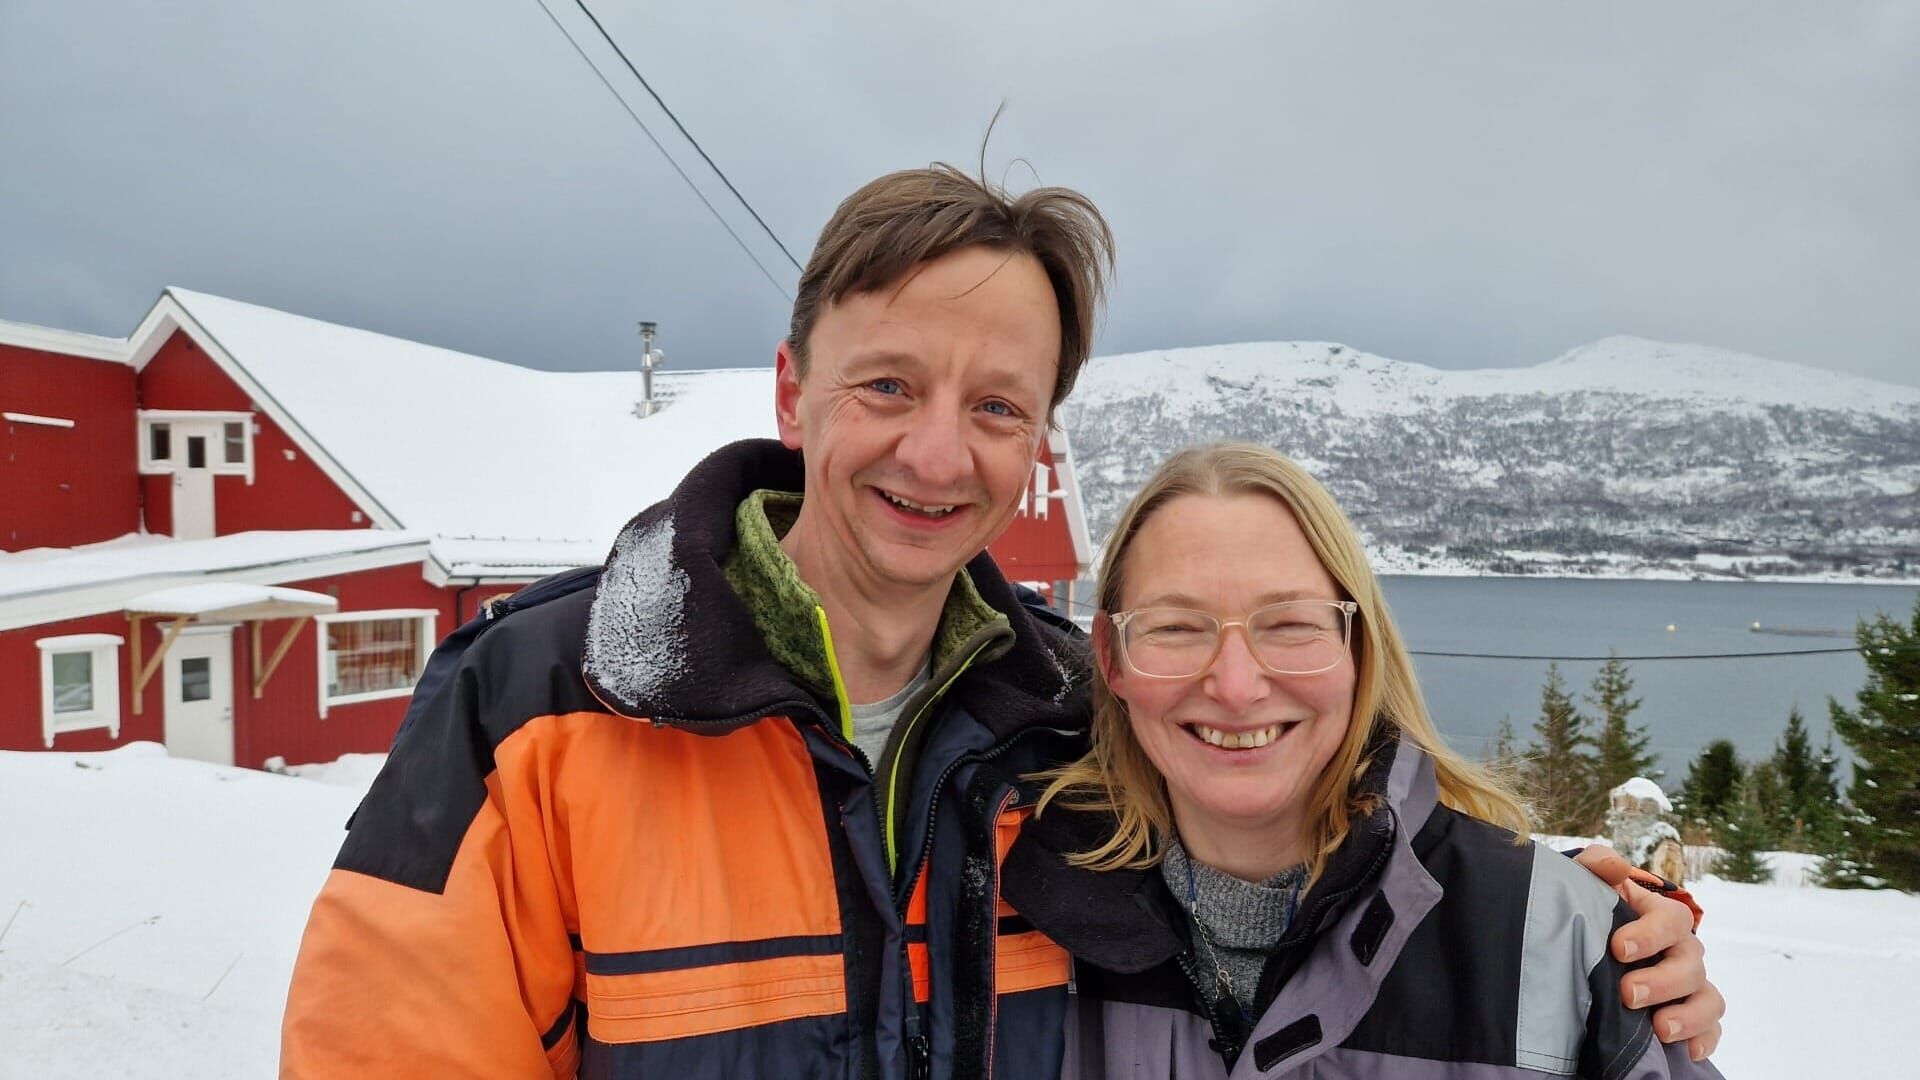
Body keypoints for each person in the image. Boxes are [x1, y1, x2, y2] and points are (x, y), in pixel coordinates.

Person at [280, 166, 1720, 1078]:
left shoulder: (1070, 742)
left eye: (995, 407)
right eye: (888, 387)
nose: (935, 455)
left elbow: (1298, 907)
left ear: (1038, 437)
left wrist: (1594, 946)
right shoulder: (547, 709)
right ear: (793, 391)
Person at [1004, 443, 1723, 1078]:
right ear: (1112, 658)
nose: (1234, 684)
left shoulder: (1565, 944)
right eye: (1175, 627)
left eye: (1288, 624)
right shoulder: (1006, 919)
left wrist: (1572, 908)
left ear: (1358, 648)